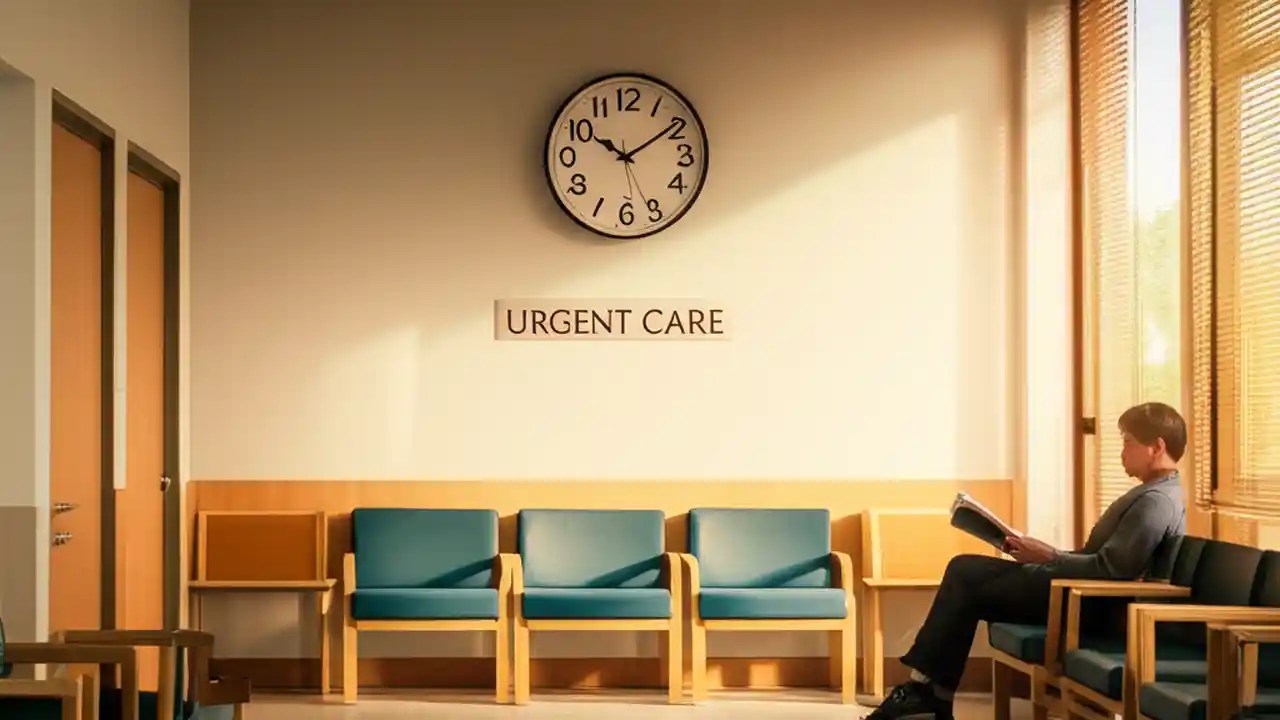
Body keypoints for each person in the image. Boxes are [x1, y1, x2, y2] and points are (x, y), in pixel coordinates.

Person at [866, 402, 1188, 720]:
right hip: (1077, 592)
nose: (1122, 452)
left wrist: (1049, 556)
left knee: (965, 574)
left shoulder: (1156, 502)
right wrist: (1041, 553)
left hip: (1087, 604)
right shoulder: (1154, 493)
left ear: (1157, 447)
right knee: (965, 574)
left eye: (1128, 442)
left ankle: (925, 694)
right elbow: (1103, 561)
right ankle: (928, 694)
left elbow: (1112, 570)